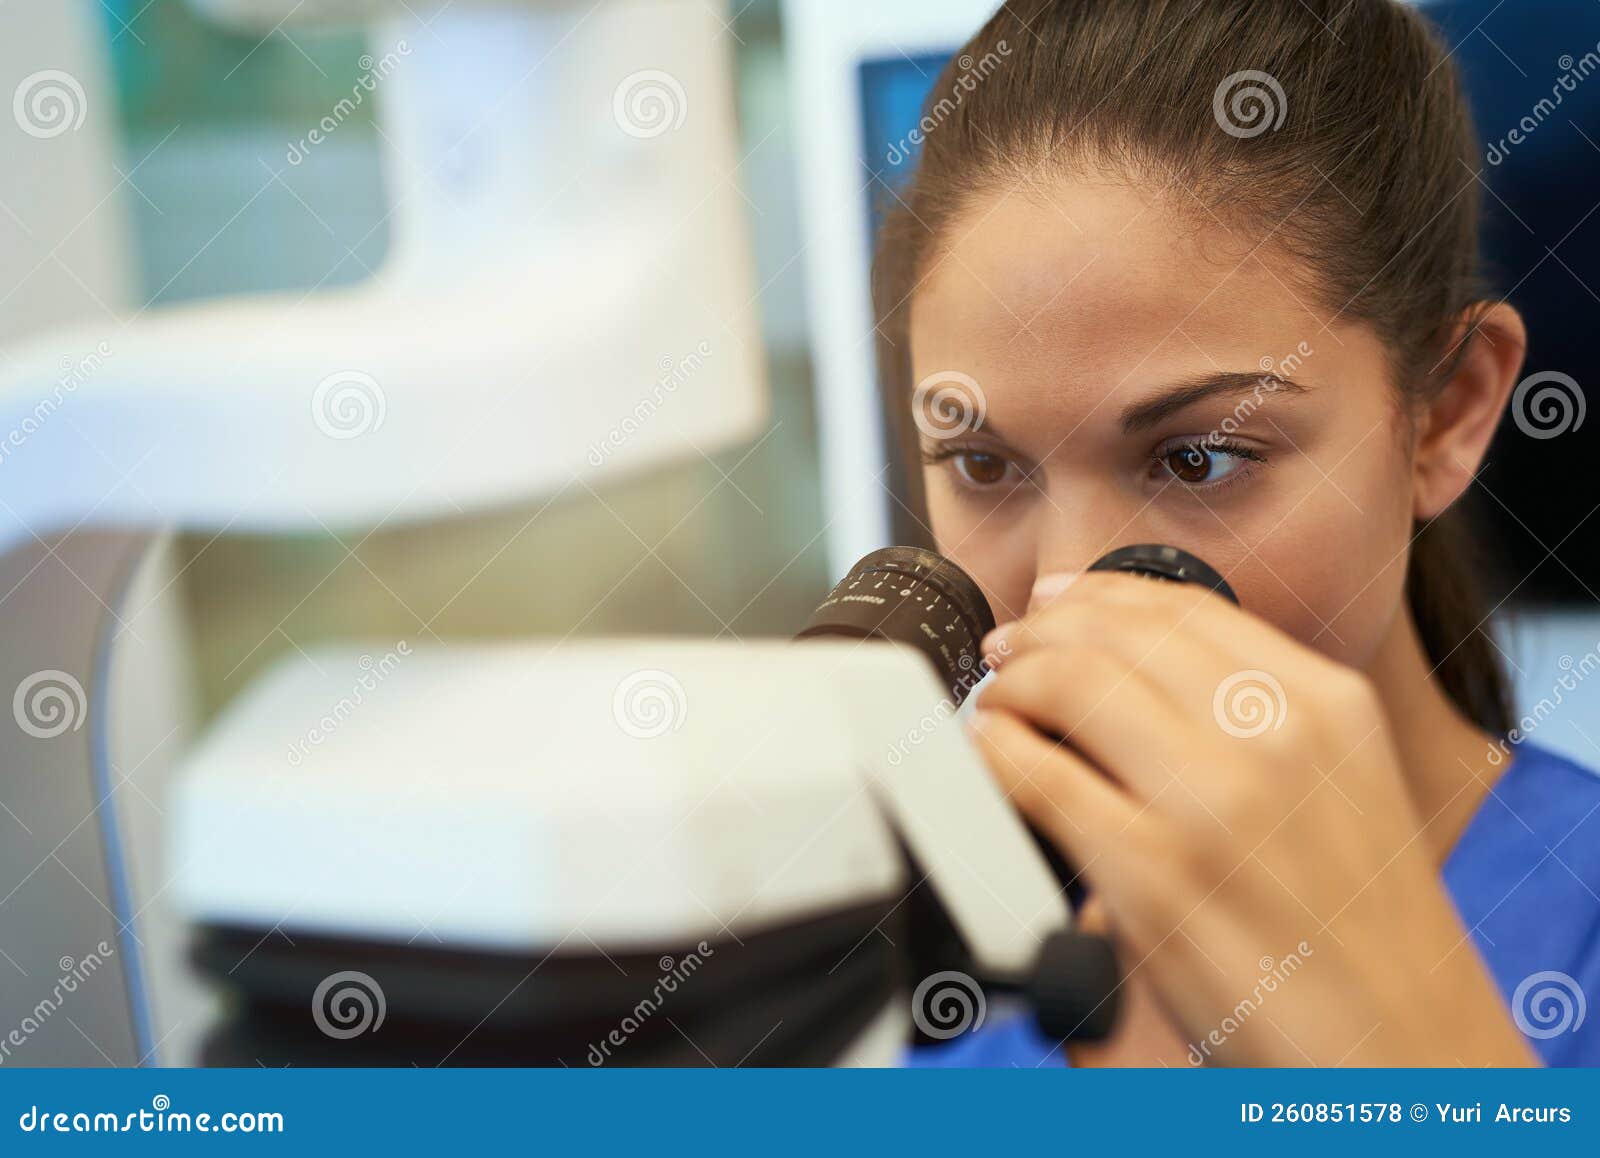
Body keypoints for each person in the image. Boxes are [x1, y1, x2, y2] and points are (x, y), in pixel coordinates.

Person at [875, 0, 1600, 1067]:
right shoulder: (973, 1022)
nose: (1071, 598)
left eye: (1197, 459)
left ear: (1444, 411)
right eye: (984, 465)